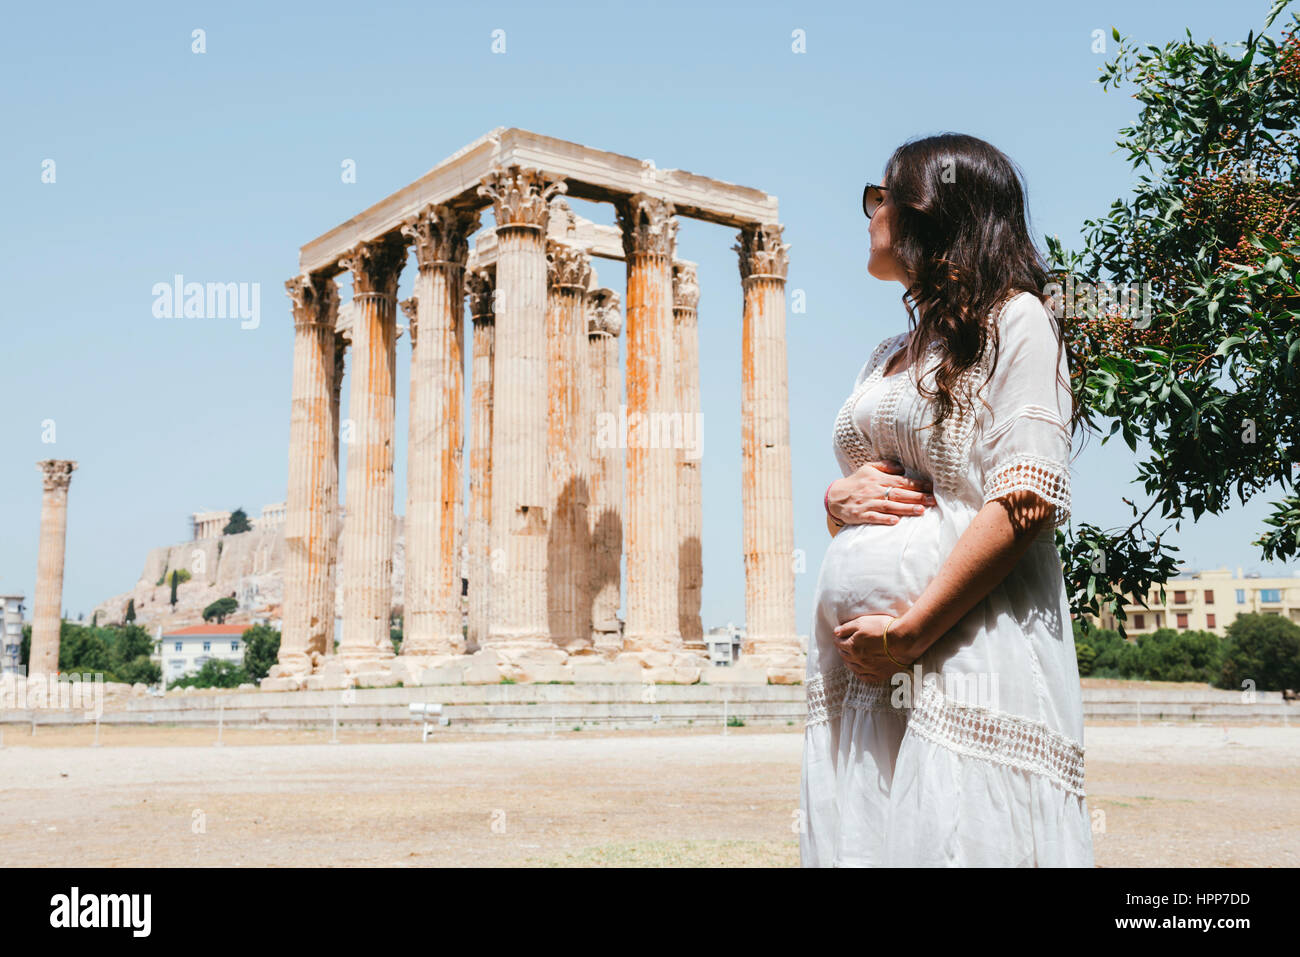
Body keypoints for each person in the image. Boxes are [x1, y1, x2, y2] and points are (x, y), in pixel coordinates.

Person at [800, 133, 1094, 867]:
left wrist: (910, 633)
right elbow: (894, 487)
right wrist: (838, 499)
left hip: (960, 652)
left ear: (928, 211)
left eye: (880, 197)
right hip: (867, 678)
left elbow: (1025, 500)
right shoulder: (889, 351)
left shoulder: (1017, 320)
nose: (869, 214)